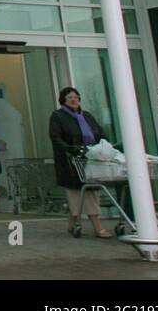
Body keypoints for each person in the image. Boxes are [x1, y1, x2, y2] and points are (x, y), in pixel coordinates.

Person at [48, 86, 112, 238]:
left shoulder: (87, 116)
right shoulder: (58, 116)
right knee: (79, 192)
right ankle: (98, 227)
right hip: (71, 162)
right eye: (69, 97)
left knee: (88, 192)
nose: (73, 99)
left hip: (91, 158)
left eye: (76, 97)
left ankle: (72, 225)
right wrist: (70, 149)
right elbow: (55, 137)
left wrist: (104, 146)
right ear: (63, 100)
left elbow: (99, 132)